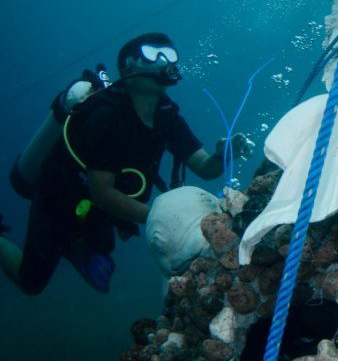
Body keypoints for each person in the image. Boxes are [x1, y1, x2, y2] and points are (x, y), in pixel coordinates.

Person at [0, 33, 252, 295]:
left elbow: (205, 168)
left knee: (102, 245)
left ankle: (75, 245)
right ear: (127, 67)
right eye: (153, 54)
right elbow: (102, 192)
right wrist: (164, 218)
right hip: (59, 202)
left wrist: (225, 153)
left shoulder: (167, 117)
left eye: (169, 54)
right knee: (30, 282)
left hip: (101, 211)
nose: (165, 61)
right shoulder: (107, 115)